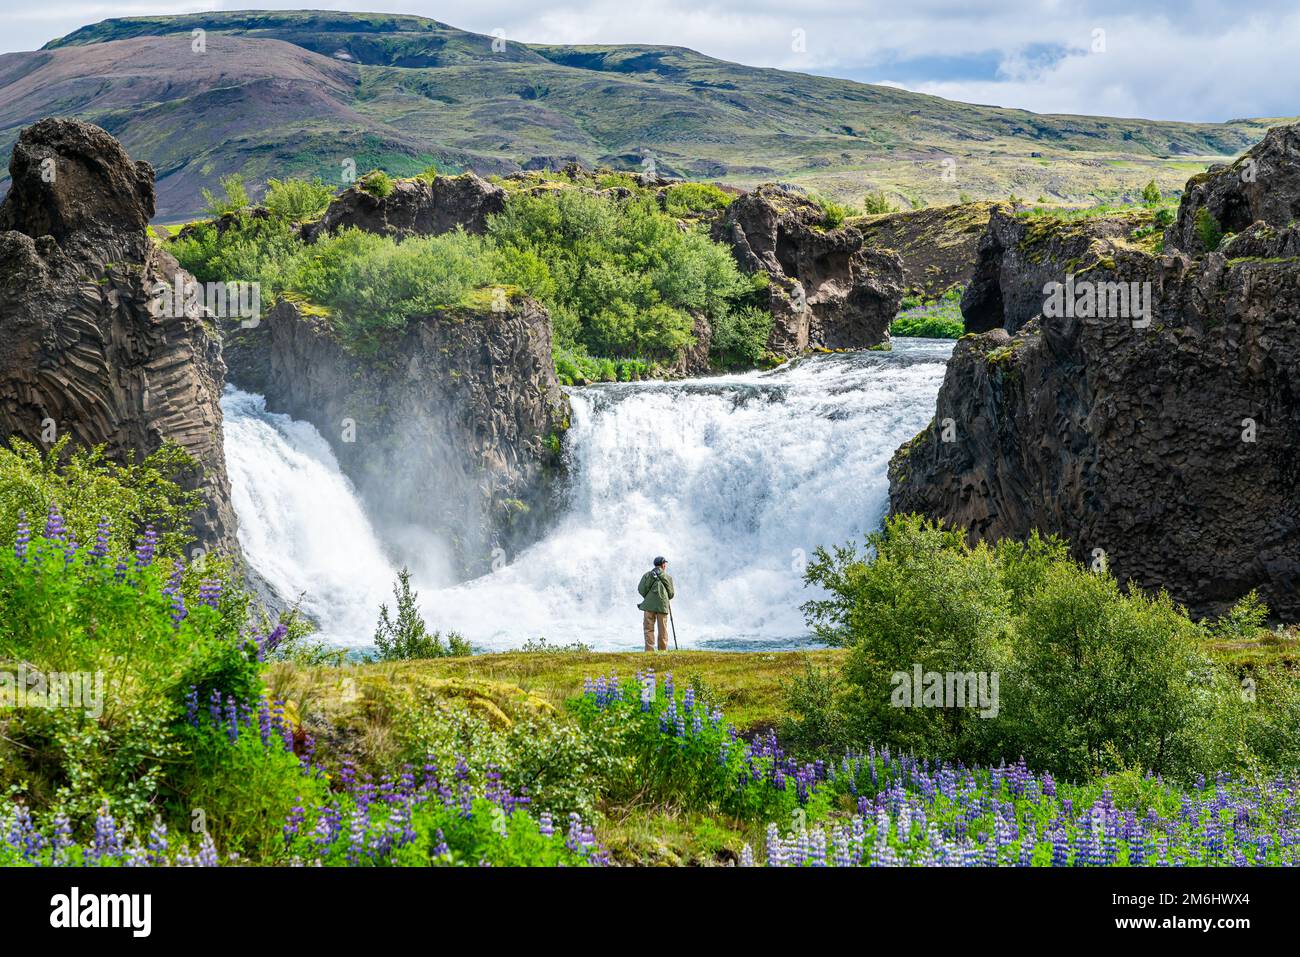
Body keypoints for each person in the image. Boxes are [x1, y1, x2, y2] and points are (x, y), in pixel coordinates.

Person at [637, 556, 675, 652]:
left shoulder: (646, 575)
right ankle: (662, 651)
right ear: (663, 565)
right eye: (664, 564)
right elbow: (671, 594)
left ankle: (649, 651)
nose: (665, 565)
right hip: (662, 606)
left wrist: (649, 596)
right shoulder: (668, 577)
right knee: (663, 630)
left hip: (649, 606)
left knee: (648, 629)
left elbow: (641, 589)